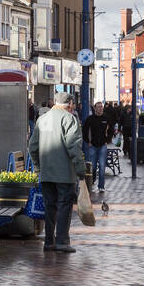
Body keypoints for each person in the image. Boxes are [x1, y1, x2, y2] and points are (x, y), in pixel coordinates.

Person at [29, 91, 88, 253]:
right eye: (72, 104)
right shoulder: (69, 119)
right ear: (69, 104)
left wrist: (38, 167)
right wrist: (81, 169)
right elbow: (73, 147)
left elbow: (32, 147)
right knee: (64, 206)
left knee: (50, 207)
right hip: (64, 174)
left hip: (46, 174)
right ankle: (62, 241)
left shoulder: (42, 119)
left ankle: (49, 242)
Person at [83, 101, 110, 195]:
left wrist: (108, 140)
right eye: (98, 107)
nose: (100, 108)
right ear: (95, 108)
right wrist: (88, 141)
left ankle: (101, 186)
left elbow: (110, 130)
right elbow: (84, 130)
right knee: (92, 166)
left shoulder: (106, 118)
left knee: (102, 167)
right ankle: (92, 182)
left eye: (101, 107)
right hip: (93, 145)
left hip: (103, 145)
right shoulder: (90, 119)